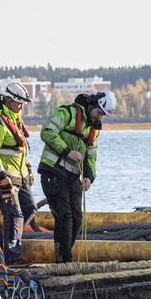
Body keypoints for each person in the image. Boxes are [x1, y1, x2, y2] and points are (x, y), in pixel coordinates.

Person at [38, 90, 115, 263]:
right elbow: (47, 131)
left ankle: (65, 257)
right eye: (99, 113)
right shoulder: (66, 113)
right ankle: (64, 261)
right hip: (54, 172)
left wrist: (89, 176)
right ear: (91, 105)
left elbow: (91, 154)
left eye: (103, 115)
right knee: (64, 217)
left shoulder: (93, 129)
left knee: (77, 220)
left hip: (73, 177)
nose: (99, 117)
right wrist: (67, 151)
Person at [0, 81, 37, 268]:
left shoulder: (15, 119)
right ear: (8, 100)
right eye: (18, 103)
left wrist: (28, 170)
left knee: (30, 209)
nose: (21, 107)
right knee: (14, 216)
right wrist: (2, 177)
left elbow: (19, 150)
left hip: (20, 178)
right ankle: (13, 259)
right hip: (5, 179)